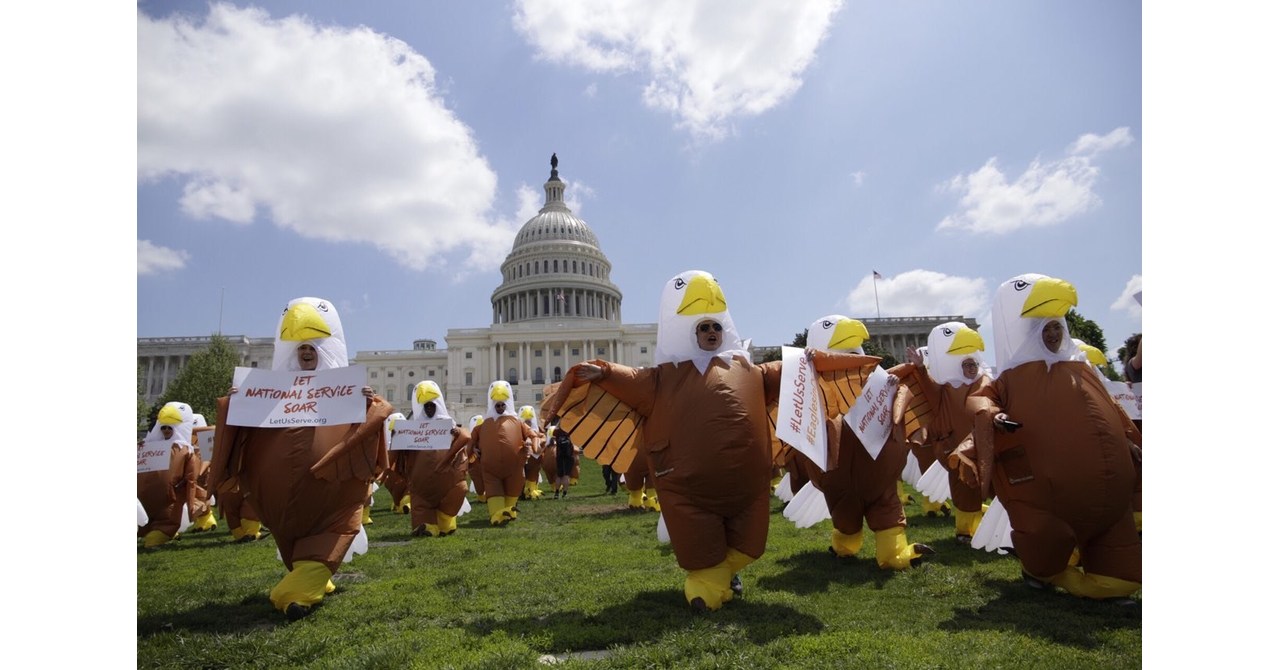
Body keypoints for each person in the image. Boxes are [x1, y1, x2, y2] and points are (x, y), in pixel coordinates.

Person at [545, 271, 874, 611]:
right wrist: (605, 373)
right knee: (699, 539)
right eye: (703, 327)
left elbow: (789, 376)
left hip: (747, 484)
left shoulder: (749, 369)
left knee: (752, 545)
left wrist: (808, 361)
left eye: (716, 327)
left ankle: (718, 574)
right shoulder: (662, 378)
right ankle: (707, 581)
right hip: (687, 484)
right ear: (691, 332)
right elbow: (633, 380)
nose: (712, 333)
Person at [951, 274, 1141, 601]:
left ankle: (1078, 570)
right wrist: (996, 417)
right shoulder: (1012, 375)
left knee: (1122, 579)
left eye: (1057, 328)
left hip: (1111, 499)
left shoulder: (1081, 368)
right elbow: (981, 400)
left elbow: (1112, 407)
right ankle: (1053, 570)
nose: (1052, 335)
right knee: (1044, 542)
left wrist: (1130, 441)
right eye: (1046, 329)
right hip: (1045, 497)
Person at [210, 297, 393, 620]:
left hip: (332, 488)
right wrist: (239, 402)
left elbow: (370, 424)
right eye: (301, 349)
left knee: (330, 530)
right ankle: (312, 576)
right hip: (284, 495)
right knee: (295, 540)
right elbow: (246, 432)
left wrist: (366, 401)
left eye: (312, 349)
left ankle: (298, 588)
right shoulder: (272, 389)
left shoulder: (348, 389)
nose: (306, 354)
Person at [789, 314, 934, 570]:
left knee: (887, 512)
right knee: (847, 525)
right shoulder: (810, 389)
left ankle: (895, 554)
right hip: (841, 482)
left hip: (881, 478)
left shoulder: (882, 381)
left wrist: (912, 373)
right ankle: (843, 545)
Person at [901, 322, 992, 544]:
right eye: (966, 364)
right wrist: (921, 368)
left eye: (973, 363)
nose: (971, 368)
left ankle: (993, 528)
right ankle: (964, 530)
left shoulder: (987, 381)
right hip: (956, 448)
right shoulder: (947, 388)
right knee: (962, 490)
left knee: (990, 485)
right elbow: (929, 389)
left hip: (985, 446)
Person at [440, 381, 538, 525]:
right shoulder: (482, 426)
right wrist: (472, 452)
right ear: (492, 405)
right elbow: (469, 441)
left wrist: (530, 444)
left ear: (507, 404)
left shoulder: (518, 423)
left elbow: (533, 435)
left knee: (513, 487)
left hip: (514, 468)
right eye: (497, 405)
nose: (500, 408)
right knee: (493, 489)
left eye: (502, 405)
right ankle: (498, 514)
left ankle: (507, 510)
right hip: (491, 470)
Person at [398, 381, 471, 537]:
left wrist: (455, 433)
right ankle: (427, 526)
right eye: (426, 406)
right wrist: (398, 437)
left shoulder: (449, 425)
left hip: (446, 480)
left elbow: (466, 436)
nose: (429, 409)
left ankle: (444, 519)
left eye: (432, 406)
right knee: (422, 505)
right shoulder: (413, 428)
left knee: (456, 493)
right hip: (421, 485)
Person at [137, 401, 204, 548]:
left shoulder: (184, 450)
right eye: (163, 427)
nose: (166, 430)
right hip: (145, 494)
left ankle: (162, 533)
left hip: (170, 497)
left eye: (170, 428)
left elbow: (191, 477)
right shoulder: (148, 446)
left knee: (165, 518)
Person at [518, 405, 546, 500]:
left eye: (529, 421)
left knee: (534, 474)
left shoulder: (536, 431)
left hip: (535, 457)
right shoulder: (520, 432)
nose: (528, 424)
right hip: (524, 457)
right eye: (526, 422)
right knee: (522, 475)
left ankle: (531, 489)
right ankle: (522, 492)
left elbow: (543, 436)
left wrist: (540, 441)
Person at [550, 424, 579, 498]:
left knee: (559, 475)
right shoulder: (570, 430)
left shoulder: (556, 431)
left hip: (559, 456)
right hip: (568, 456)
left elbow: (552, 436)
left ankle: (556, 493)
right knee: (566, 475)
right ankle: (565, 493)